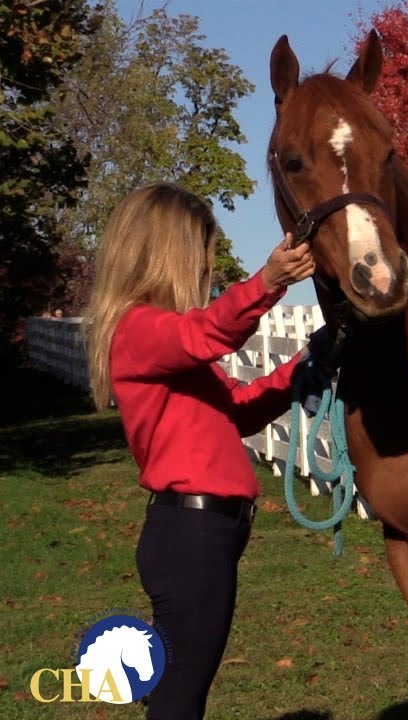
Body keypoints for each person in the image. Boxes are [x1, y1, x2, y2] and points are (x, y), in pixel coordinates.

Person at [83, 183, 315, 719]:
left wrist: (307, 364)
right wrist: (269, 283)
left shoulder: (165, 344)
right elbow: (211, 332)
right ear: (171, 253)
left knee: (182, 692)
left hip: (204, 533)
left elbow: (238, 411)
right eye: (204, 252)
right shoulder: (140, 330)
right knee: (179, 697)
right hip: (192, 534)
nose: (208, 268)